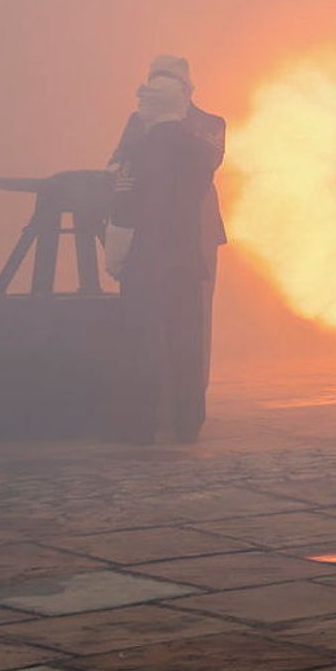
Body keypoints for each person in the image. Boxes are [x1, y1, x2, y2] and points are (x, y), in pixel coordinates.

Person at [107, 55, 225, 435]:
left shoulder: (209, 124)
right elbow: (117, 165)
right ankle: (165, 414)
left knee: (186, 329)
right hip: (174, 235)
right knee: (169, 329)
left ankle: (182, 411)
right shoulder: (141, 124)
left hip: (191, 232)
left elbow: (130, 179)